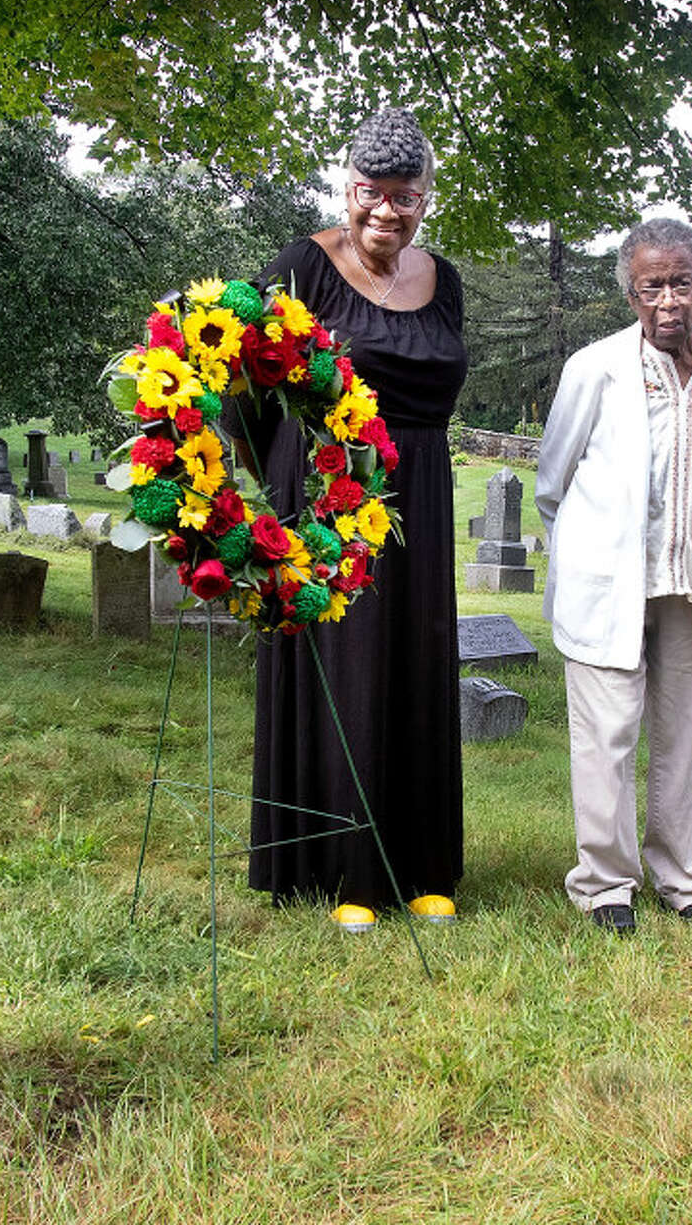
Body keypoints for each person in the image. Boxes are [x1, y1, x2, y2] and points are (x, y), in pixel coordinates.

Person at [236, 108, 467, 933]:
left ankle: (421, 867)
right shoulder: (303, 264)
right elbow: (242, 376)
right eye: (372, 191)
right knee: (348, 664)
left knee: (416, 660)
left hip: (421, 496)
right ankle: (340, 868)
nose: (386, 211)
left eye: (406, 195)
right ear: (348, 189)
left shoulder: (446, 279)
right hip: (328, 488)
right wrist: (282, 478)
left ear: (425, 199)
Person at [534, 218, 692, 935]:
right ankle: (605, 886)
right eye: (651, 286)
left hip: (687, 586)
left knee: (681, 738)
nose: (667, 301)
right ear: (630, 294)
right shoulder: (594, 368)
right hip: (608, 581)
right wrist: (591, 549)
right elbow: (553, 480)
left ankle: (687, 882)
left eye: (680, 283)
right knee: (607, 735)